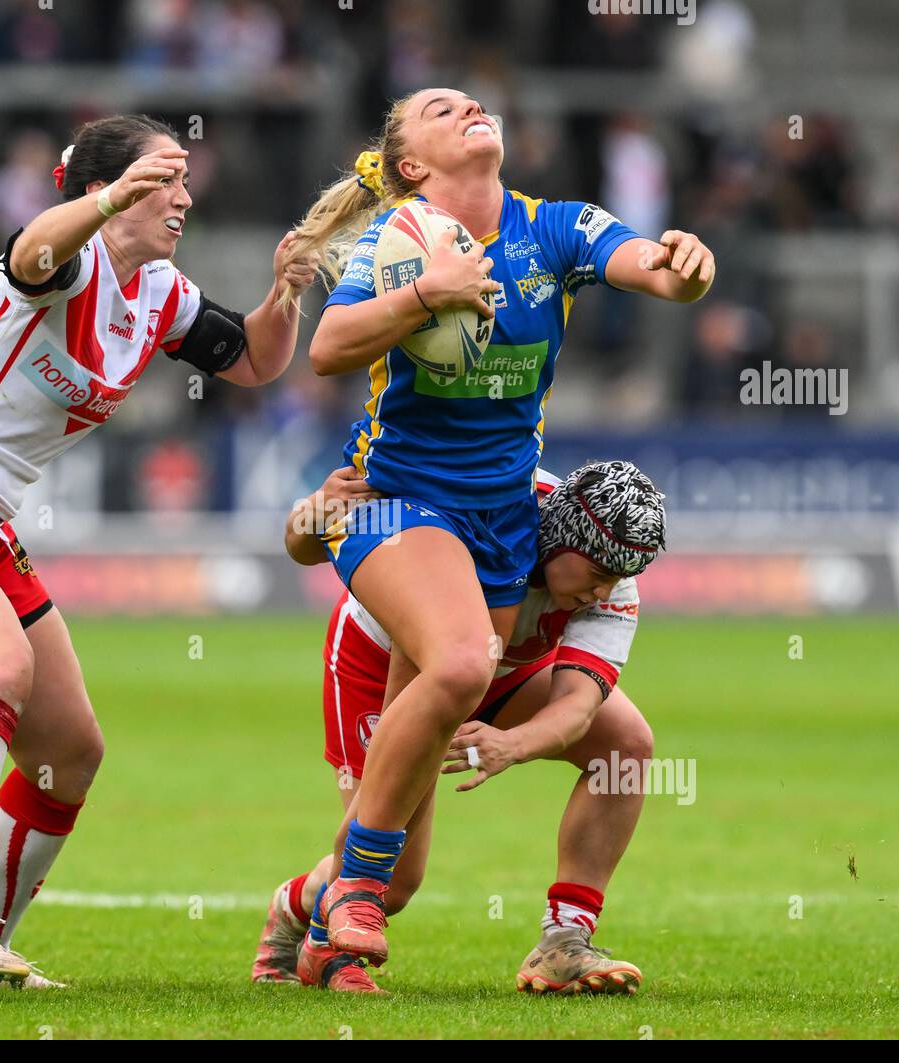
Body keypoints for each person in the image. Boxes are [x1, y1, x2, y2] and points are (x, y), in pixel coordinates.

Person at [0, 114, 318, 987]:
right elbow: (32, 246)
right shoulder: (66, 257)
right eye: (167, 178)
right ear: (106, 188)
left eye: (185, 180)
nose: (185, 197)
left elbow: (255, 364)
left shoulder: (158, 291)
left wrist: (286, 294)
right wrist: (105, 201)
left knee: (69, 753)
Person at [279, 88, 713, 981]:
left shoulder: (553, 228)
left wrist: (687, 269)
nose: (469, 104)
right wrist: (427, 296)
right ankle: (352, 887)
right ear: (412, 164)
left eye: (471, 100)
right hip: (393, 504)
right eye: (442, 109)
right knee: (467, 660)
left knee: (610, 752)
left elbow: (651, 268)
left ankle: (357, 915)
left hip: (503, 517)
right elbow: (327, 349)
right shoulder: (399, 242)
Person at [253, 460, 665, 993]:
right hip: (381, 661)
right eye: (597, 574)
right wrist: (315, 511)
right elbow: (306, 545)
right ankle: (295, 909)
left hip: (498, 673)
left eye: (616, 578)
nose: (605, 591)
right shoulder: (481, 493)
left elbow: (577, 707)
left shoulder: (614, 586)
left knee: (626, 746)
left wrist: (510, 745)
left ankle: (565, 941)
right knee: (395, 883)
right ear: (561, 539)